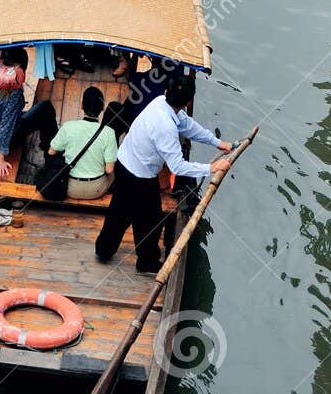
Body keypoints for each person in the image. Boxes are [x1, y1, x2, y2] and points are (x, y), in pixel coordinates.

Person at [95, 73, 231, 274]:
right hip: (139, 177)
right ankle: (147, 262)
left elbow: (188, 126)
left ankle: (104, 250)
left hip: (124, 163)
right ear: (187, 102)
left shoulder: (160, 102)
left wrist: (217, 142)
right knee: (150, 220)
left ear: (166, 92)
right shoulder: (165, 127)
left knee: (119, 212)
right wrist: (211, 168)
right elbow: (178, 167)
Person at [0, 47, 57, 180]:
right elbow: (6, 125)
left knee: (27, 113)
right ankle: (51, 149)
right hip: (8, 137)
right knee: (46, 107)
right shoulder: (14, 94)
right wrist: (0, 158)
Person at [48, 85, 119, 201]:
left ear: (82, 106)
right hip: (96, 190)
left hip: (69, 187)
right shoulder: (109, 133)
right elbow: (109, 170)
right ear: (102, 108)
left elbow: (51, 151)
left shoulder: (68, 127)